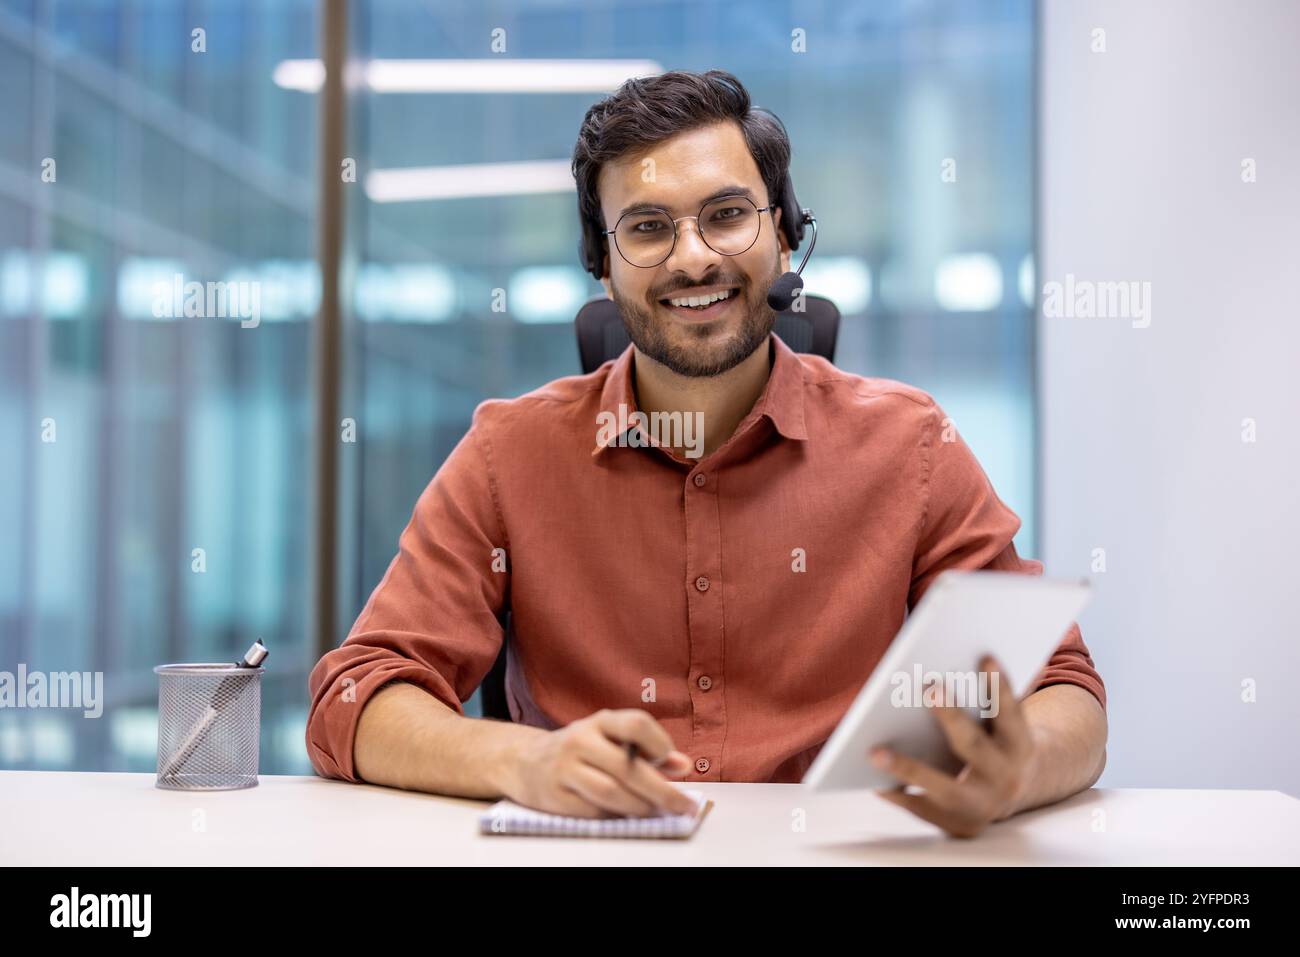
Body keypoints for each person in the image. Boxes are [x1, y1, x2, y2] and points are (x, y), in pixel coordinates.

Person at [306, 69, 1106, 839]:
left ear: (787, 239)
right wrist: (529, 758)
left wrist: (1015, 766)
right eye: (648, 228)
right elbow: (354, 695)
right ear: (603, 265)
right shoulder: (507, 454)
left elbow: (1064, 693)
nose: (692, 258)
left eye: (726, 215)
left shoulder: (910, 444)